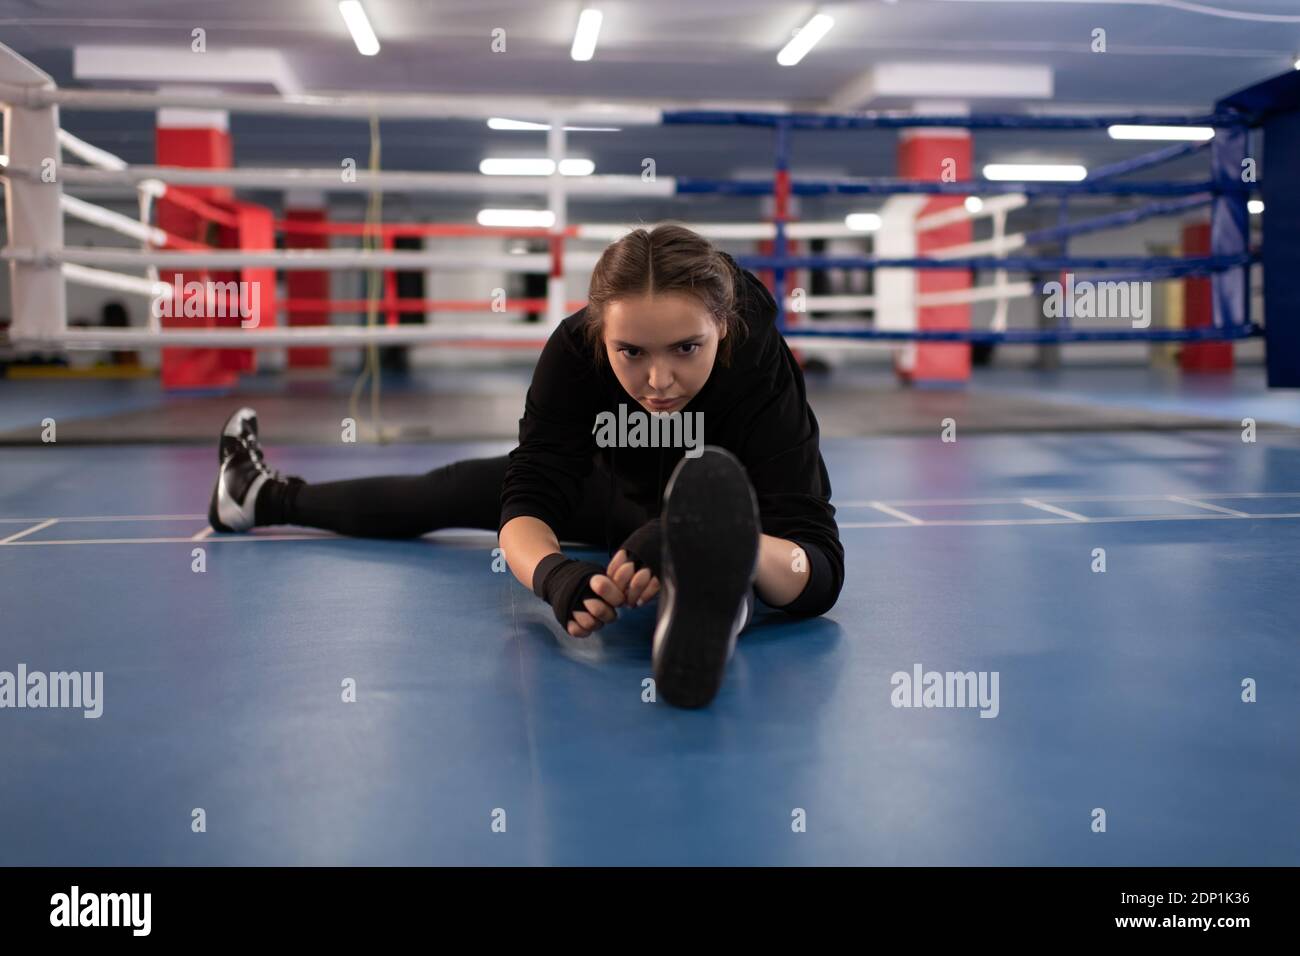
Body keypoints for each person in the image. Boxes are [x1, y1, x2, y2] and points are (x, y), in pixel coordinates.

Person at [208, 224, 844, 707]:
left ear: (724, 330)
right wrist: (554, 577)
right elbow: (527, 504)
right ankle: (259, 495)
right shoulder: (572, 354)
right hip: (610, 493)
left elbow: (817, 565)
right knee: (454, 489)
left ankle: (720, 567)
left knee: (776, 559)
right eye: (631, 352)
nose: (658, 380)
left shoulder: (757, 358)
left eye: (686, 348)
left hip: (736, 509)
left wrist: (714, 538)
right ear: (599, 336)